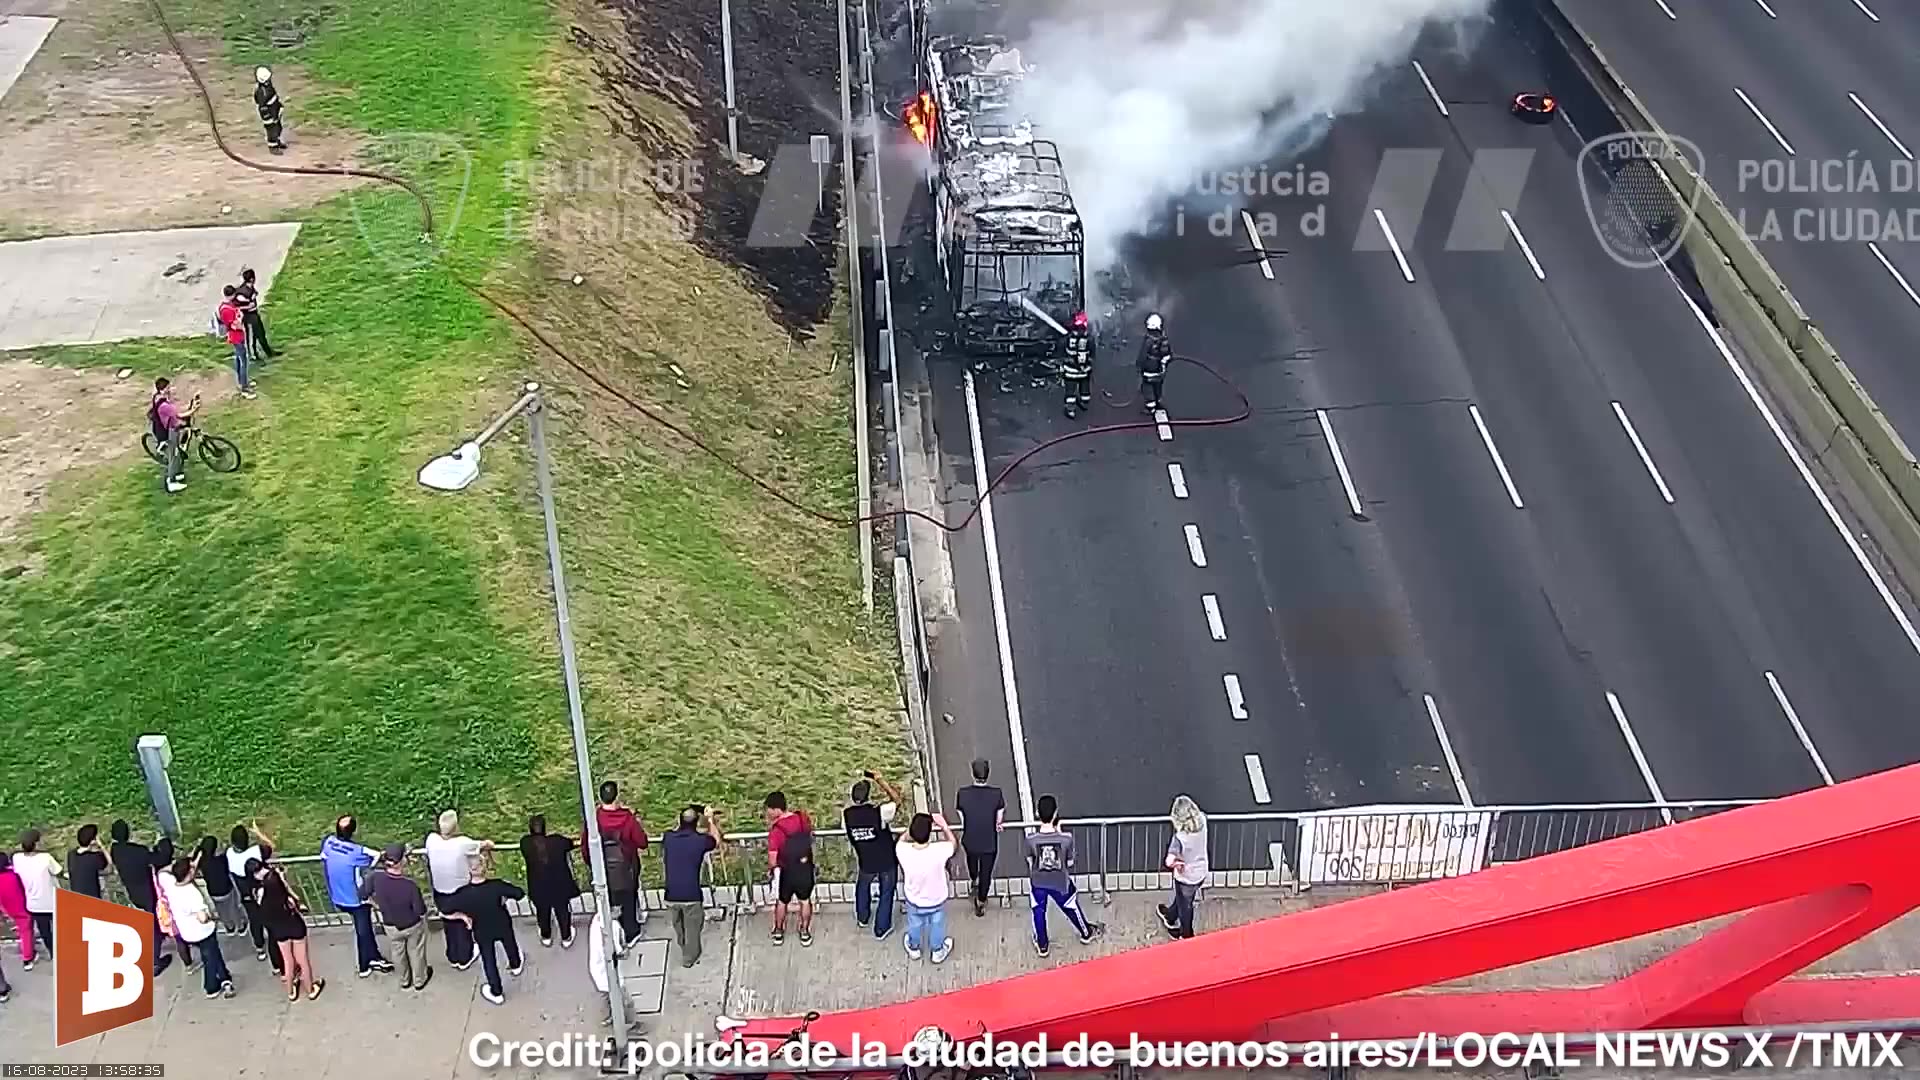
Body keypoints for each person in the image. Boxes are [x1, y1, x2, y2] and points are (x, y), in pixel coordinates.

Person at [441, 856, 525, 1006]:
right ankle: (515, 964)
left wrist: (463, 916)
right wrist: (504, 898)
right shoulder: (497, 886)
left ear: (468, 870)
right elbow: (519, 893)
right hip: (502, 923)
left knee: (489, 960)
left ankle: (496, 991)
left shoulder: (462, 894)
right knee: (509, 943)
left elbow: (444, 911)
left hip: (481, 930)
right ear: (484, 867)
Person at [1026, 795, 1100, 957]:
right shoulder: (1066, 839)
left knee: (1038, 912)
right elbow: (1070, 862)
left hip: (1038, 881)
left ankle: (1042, 944)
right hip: (1060, 881)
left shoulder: (1031, 840)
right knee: (1072, 907)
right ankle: (1086, 932)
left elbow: (1030, 860)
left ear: (1038, 814)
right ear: (1055, 814)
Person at [320, 815, 391, 977]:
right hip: (355, 898)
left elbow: (324, 859)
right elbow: (375, 856)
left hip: (337, 895)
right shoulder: (356, 852)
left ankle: (374, 956)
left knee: (365, 929)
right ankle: (364, 965)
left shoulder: (329, 842)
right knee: (363, 931)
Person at [249, 855, 324, 1001]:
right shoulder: (285, 899)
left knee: (288, 961)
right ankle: (310, 989)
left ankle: (290, 992)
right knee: (303, 961)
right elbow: (294, 902)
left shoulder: (259, 894)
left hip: (278, 929)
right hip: (294, 925)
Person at [360, 845, 432, 991]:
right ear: (401, 862)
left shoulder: (375, 877)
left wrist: (376, 904)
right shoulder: (410, 885)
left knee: (397, 952)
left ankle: (404, 980)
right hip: (412, 924)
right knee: (416, 951)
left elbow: (362, 894)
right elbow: (420, 910)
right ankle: (419, 980)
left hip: (390, 925)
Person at [425, 810, 490, 970]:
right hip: (460, 891)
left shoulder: (431, 840)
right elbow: (483, 844)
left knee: (449, 922)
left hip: (440, 891)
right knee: (463, 923)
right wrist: (488, 844)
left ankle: (452, 955)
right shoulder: (462, 843)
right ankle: (464, 956)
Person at [162, 857, 235, 999]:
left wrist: (187, 863)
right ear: (189, 873)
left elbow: (164, 871)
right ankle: (211, 987)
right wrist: (212, 917)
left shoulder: (170, 884)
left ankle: (225, 976)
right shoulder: (191, 893)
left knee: (214, 952)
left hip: (186, 931)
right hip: (202, 932)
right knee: (209, 957)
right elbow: (202, 918)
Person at [108, 821, 174, 976]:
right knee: (153, 924)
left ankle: (160, 935)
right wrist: (162, 844)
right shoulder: (138, 851)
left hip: (134, 892)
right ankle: (154, 961)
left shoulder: (115, 850)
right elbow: (158, 859)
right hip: (147, 892)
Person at [585, 782, 648, 940]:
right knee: (629, 901)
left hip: (604, 872)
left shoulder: (594, 820)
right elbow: (642, 842)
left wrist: (593, 866)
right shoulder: (627, 819)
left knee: (610, 904)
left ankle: (614, 932)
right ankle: (631, 933)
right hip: (627, 870)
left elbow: (586, 848)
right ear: (616, 796)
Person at [660, 805, 720, 967]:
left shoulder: (668, 838)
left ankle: (683, 945)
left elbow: (673, 830)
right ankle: (689, 959)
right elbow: (716, 839)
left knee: (679, 927)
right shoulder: (699, 841)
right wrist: (709, 819)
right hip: (691, 895)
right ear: (696, 824)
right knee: (693, 930)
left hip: (671, 894)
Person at [844, 770, 902, 939]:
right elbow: (897, 800)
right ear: (868, 796)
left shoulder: (847, 815)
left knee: (862, 887)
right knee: (886, 893)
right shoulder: (880, 812)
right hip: (886, 858)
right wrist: (880, 780)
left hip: (865, 859)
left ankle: (862, 917)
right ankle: (881, 928)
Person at [895, 812, 956, 964]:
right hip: (937, 899)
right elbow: (953, 844)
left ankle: (914, 947)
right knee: (937, 925)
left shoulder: (902, 850)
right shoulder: (940, 850)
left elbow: (902, 839)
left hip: (914, 899)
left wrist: (913, 828)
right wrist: (944, 826)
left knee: (914, 924)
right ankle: (937, 950)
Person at [519, 815, 580, 948]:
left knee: (542, 911)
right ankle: (566, 936)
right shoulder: (557, 841)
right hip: (558, 885)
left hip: (538, 887)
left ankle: (546, 935)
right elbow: (570, 844)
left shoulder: (526, 843)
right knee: (562, 910)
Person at [763, 792, 815, 947]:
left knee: (782, 902)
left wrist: (771, 870)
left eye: (768, 809)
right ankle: (805, 932)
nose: (767, 813)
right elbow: (810, 835)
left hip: (787, 872)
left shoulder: (776, 831)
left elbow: (773, 860)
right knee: (805, 901)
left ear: (776, 809)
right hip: (805, 868)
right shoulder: (802, 818)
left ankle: (778, 931)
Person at [954, 758, 1005, 917]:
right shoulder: (996, 793)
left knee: (971, 860)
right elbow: (1000, 814)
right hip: (989, 840)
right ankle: (981, 900)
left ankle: (973, 879)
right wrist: (997, 824)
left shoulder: (963, 793)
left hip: (970, 838)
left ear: (973, 774)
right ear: (988, 774)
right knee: (987, 872)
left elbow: (961, 815)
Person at [1158, 795, 1209, 940]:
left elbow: (1169, 861)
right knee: (1183, 899)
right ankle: (1170, 915)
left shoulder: (1180, 838)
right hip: (1201, 871)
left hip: (1186, 876)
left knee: (1185, 907)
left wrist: (1176, 864)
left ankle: (1186, 934)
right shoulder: (1203, 821)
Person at [586, 909, 641, 1032]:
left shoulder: (597, 920)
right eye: (618, 908)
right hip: (610, 971)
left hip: (597, 969)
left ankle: (607, 1017)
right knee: (626, 1001)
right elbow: (617, 951)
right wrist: (625, 951)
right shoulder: (612, 927)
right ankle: (629, 1024)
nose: (621, 911)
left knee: (605, 996)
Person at [12, 831, 61, 961]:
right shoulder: (46, 857)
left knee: (45, 930)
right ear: (37, 843)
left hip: (34, 904)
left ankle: (53, 953)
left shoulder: (17, 858)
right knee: (60, 927)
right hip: (52, 901)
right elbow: (58, 871)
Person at [225, 826, 270, 964]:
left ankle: (259, 947)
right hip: (262, 891)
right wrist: (259, 833)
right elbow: (270, 846)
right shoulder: (256, 851)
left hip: (246, 895)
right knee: (270, 917)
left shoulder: (229, 854)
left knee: (254, 921)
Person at [147, 378, 194, 493]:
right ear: (162, 390)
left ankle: (177, 473)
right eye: (168, 387)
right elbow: (180, 415)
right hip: (167, 434)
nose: (170, 389)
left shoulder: (158, 398)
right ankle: (171, 482)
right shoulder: (163, 406)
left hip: (169, 429)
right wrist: (194, 409)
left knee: (177, 453)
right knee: (173, 456)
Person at [192, 836, 243, 935]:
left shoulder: (202, 862)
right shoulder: (221, 859)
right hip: (227, 890)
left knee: (222, 911)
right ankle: (240, 926)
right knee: (233, 908)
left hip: (213, 892)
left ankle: (229, 927)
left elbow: (192, 864)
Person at [215, 286, 256, 398]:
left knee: (239, 359)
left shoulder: (227, 305)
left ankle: (242, 381)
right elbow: (234, 325)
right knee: (243, 361)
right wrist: (240, 319)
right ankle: (244, 388)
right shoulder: (226, 310)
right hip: (236, 337)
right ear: (232, 295)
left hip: (237, 336)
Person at [233, 268, 278, 361]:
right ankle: (252, 356)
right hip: (248, 316)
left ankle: (269, 352)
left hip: (254, 314)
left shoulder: (250, 287)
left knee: (261, 334)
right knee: (251, 336)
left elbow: (254, 295)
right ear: (252, 279)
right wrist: (248, 307)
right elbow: (236, 307)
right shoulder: (241, 293)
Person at [1061, 311, 1094, 418]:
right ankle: (1084, 403)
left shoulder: (1068, 338)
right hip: (1084, 371)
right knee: (1085, 389)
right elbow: (1092, 355)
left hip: (1070, 372)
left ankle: (1071, 411)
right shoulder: (1090, 339)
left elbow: (1062, 352)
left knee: (1070, 391)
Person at [1137, 312, 1171, 413]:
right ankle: (1158, 401)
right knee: (1158, 386)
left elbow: (1143, 355)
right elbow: (1169, 353)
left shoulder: (1148, 340)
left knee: (1147, 387)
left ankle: (1150, 407)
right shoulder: (1164, 339)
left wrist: (1139, 364)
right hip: (1160, 370)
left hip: (1149, 369)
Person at [0, 851, 28, 968]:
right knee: (26, 931)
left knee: (22, 928)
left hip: (8, 909)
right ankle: (27, 957)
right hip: (22, 907)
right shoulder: (13, 875)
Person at [67, 825, 110, 900]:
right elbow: (110, 869)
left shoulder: (71, 854)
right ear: (93, 841)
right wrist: (102, 846)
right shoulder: (95, 857)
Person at [253, 67, 287, 153]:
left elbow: (273, 97)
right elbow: (262, 105)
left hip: (274, 109)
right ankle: (273, 147)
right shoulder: (261, 92)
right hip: (268, 113)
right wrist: (268, 116)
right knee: (272, 129)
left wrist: (279, 106)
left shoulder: (268, 87)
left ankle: (277, 140)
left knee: (278, 126)